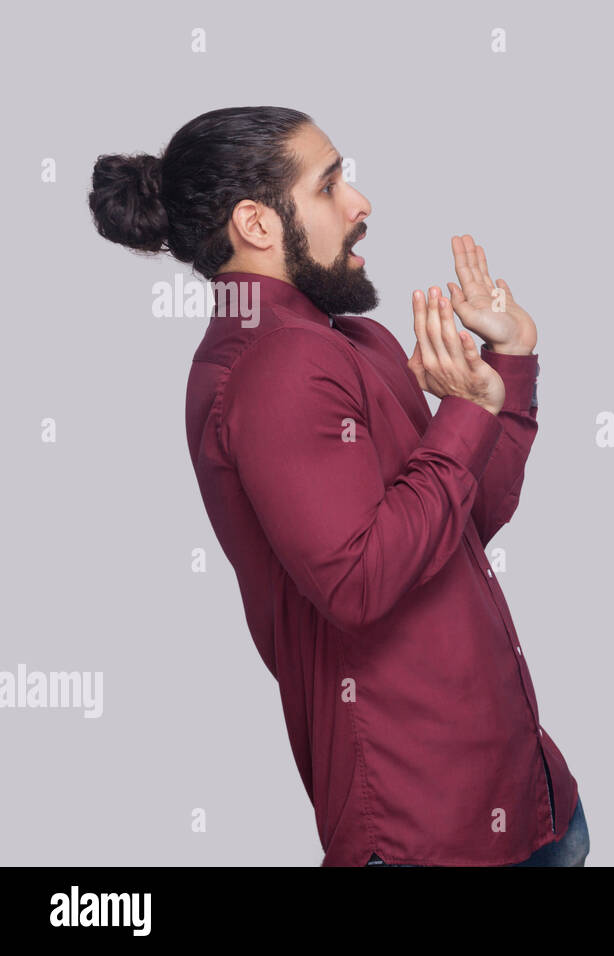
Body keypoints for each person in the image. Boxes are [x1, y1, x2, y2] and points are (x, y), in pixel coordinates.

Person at [88, 106, 586, 866]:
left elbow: (464, 521)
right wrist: (462, 411)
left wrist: (508, 364)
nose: (360, 205)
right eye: (329, 187)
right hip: (425, 827)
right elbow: (358, 582)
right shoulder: (274, 366)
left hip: (522, 791)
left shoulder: (350, 340)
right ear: (257, 224)